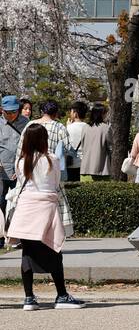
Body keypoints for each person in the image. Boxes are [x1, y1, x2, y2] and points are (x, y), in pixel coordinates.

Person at [8, 123, 84, 310]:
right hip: (45, 209)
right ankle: (61, 294)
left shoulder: (21, 161)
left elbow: (21, 183)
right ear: (43, 140)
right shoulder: (52, 159)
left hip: (25, 211)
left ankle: (29, 298)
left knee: (27, 253)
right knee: (54, 251)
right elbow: (56, 183)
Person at [17, 102, 74, 234]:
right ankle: (52, 230)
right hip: (49, 165)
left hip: (29, 165)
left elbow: (20, 148)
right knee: (54, 201)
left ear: (42, 111)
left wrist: (18, 166)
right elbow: (69, 148)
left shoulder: (30, 125)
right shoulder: (59, 127)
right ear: (55, 113)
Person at [0, 96, 27, 225]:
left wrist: (22, 166)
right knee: (1, 202)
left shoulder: (25, 122)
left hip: (19, 170)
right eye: (7, 112)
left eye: (14, 112)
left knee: (20, 202)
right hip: (2, 170)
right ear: (1, 110)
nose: (11, 115)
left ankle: (17, 235)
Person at [79, 105, 112, 179]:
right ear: (101, 114)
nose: (106, 115)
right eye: (105, 113)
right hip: (102, 167)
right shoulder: (106, 128)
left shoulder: (85, 127)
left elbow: (83, 146)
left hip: (86, 166)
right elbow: (110, 148)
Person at [65, 101, 89, 184]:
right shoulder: (89, 128)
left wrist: (67, 126)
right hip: (85, 165)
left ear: (75, 113)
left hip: (70, 163)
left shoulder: (68, 128)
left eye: (71, 112)